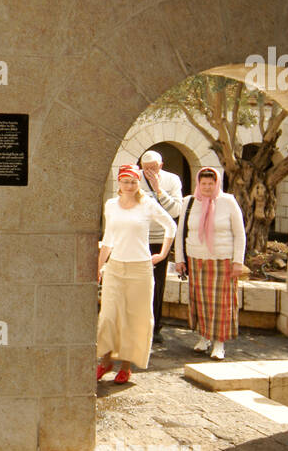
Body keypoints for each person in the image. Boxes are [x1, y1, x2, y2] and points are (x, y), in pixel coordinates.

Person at [97, 164, 176, 384]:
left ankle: (126, 366)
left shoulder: (147, 204)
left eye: (133, 181)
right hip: (115, 267)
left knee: (134, 319)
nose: (129, 185)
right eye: (125, 181)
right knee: (108, 316)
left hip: (140, 268)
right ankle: (105, 362)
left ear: (137, 183)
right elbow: (109, 238)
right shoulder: (111, 205)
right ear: (119, 184)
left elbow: (171, 226)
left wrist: (162, 254)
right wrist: (99, 266)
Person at [174, 166, 246, 360]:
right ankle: (204, 337)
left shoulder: (228, 202)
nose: (207, 187)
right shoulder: (189, 202)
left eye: (210, 183)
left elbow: (240, 234)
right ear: (198, 183)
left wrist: (238, 261)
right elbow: (180, 232)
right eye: (203, 183)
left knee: (221, 303)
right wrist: (179, 259)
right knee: (200, 301)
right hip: (197, 259)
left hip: (222, 260)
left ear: (217, 183)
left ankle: (219, 343)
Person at [138, 150, 184, 344]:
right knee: (138, 283)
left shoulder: (172, 180)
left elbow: (176, 210)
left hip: (160, 239)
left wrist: (159, 190)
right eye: (146, 168)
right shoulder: (135, 178)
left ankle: (155, 326)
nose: (149, 172)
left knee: (157, 283)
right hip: (139, 238)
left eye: (153, 168)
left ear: (161, 166)